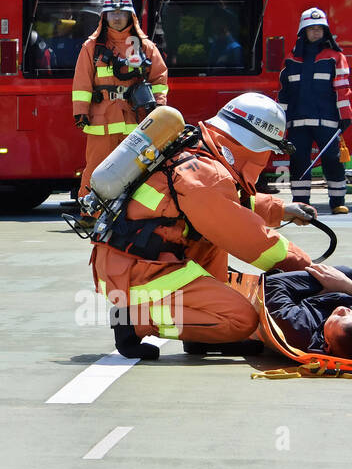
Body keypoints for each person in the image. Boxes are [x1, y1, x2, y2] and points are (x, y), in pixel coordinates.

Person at [90, 92, 315, 360]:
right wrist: (308, 270)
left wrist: (279, 210)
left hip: (132, 260)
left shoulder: (196, 149)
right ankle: (135, 320)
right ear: (255, 146)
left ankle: (202, 338)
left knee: (212, 238)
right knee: (242, 320)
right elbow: (250, 239)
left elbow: (225, 207)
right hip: (141, 275)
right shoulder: (208, 174)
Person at [71, 0, 169, 201]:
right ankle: (90, 213)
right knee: (95, 168)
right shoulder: (91, 47)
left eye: (121, 13)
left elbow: (159, 79)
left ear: (130, 16)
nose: (116, 18)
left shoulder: (145, 47)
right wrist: (80, 112)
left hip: (135, 120)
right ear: (105, 16)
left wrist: (158, 110)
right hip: (101, 120)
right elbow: (82, 82)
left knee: (137, 170)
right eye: (112, 13)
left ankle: (134, 214)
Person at [278, 7, 352, 214]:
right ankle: (301, 203)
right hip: (298, 122)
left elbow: (342, 88)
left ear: (326, 31)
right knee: (299, 161)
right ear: (303, 31)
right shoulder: (291, 59)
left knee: (332, 159)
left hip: (327, 121)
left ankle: (338, 202)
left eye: (320, 29)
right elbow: (284, 93)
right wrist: (281, 121)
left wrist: (345, 116)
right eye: (312, 29)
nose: (316, 32)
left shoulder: (335, 57)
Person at [262, 264, 352, 367]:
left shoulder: (298, 327)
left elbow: (272, 284)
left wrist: (320, 287)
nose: (344, 309)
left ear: (327, 345)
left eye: (339, 317)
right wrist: (350, 288)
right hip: (347, 289)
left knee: (325, 272)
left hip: (299, 295)